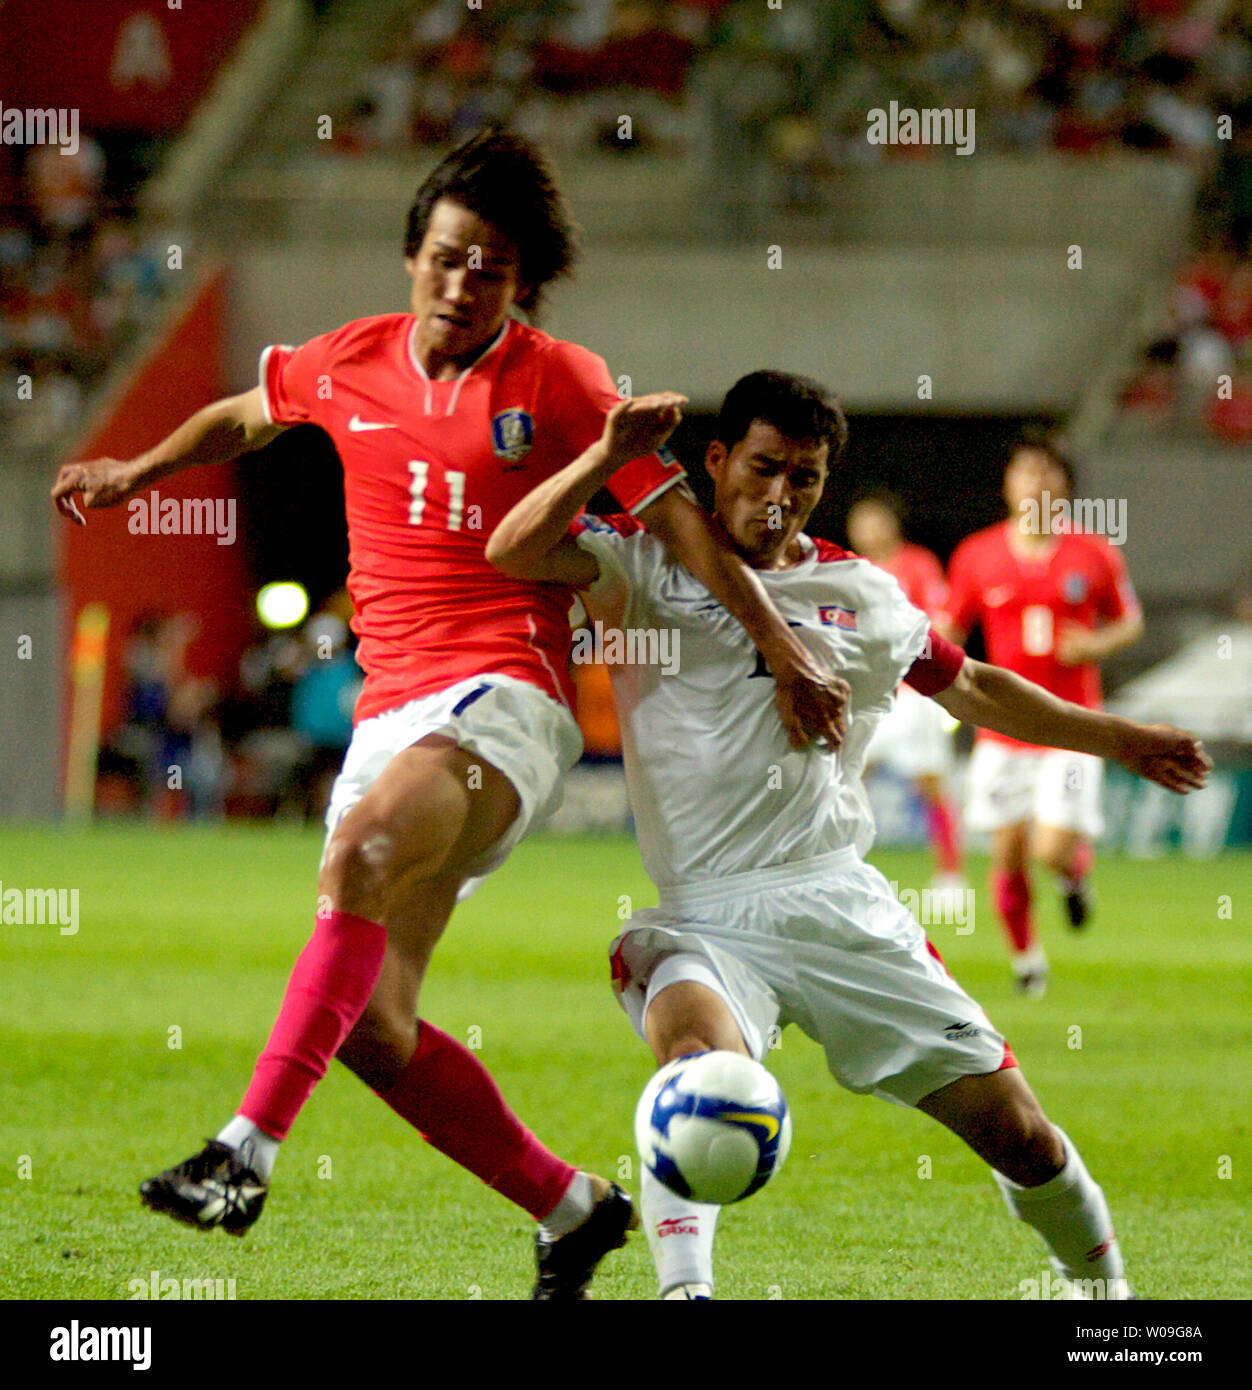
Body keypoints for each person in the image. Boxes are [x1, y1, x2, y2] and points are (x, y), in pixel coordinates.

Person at [51, 130, 848, 1300]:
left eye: (492, 267)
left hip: (504, 702)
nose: (465, 281)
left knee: (366, 854)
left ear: (520, 282)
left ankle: (243, 1151)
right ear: (413, 255)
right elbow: (242, 416)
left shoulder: (561, 381)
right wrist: (132, 474)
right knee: (375, 1026)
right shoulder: (349, 360)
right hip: (392, 711)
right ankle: (571, 1207)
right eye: (448, 256)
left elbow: (676, 522)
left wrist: (778, 646)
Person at [487, 370, 1210, 1300]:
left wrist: (1124, 738)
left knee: (1020, 1135)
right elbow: (514, 550)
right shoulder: (645, 563)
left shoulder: (863, 595)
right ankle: (685, 1292)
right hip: (708, 917)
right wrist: (608, 457)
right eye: (763, 467)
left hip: (838, 903)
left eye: (806, 477)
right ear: (715, 461)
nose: (780, 496)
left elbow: (977, 687)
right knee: (697, 1073)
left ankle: (1105, 1297)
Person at [940, 436, 1145, 996]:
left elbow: (1129, 621)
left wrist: (1095, 646)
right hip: (1004, 729)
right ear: (1008, 483)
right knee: (1006, 853)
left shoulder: (1094, 553)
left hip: (1074, 728)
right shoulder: (977, 555)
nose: (1037, 483)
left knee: (1048, 849)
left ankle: (1073, 875)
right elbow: (950, 630)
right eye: (1026, 471)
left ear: (1065, 486)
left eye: (1048, 473)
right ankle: (1028, 962)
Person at [846, 491, 965, 898]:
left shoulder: (917, 564)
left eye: (875, 520)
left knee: (930, 783)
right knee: (844, 778)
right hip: (869, 695)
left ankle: (950, 877)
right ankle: (841, 866)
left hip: (912, 695)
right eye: (861, 521)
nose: (868, 529)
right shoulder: (850, 570)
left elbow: (942, 624)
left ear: (892, 524)